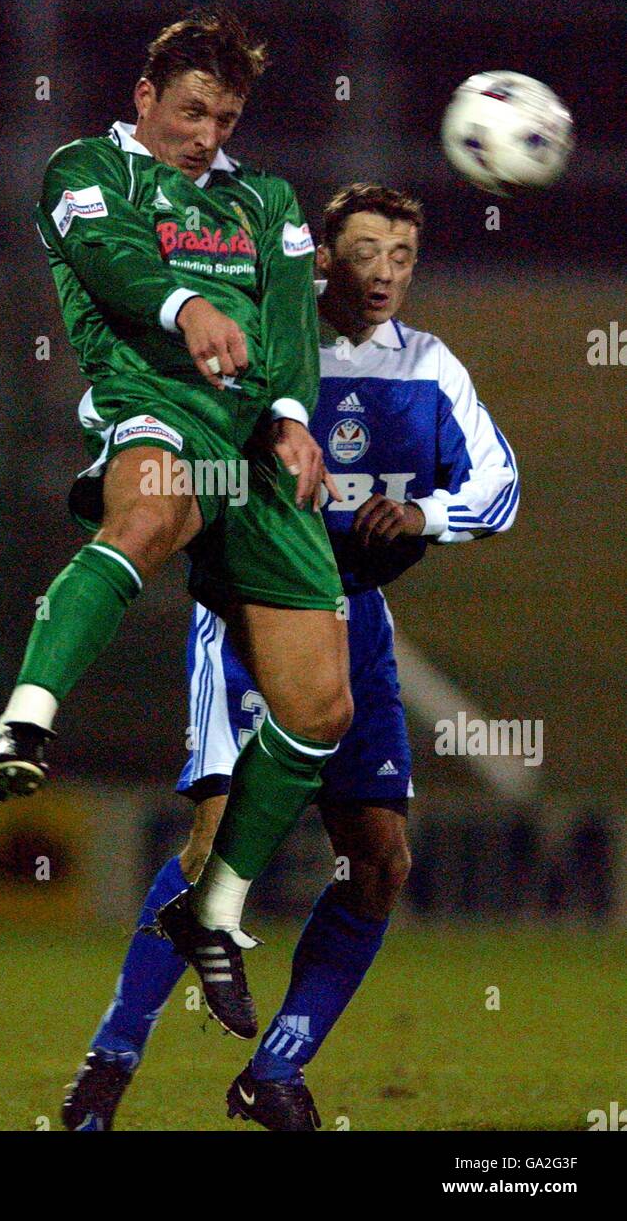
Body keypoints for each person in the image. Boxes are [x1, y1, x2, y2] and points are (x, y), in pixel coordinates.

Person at [62, 182, 519, 1130]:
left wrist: (428, 514)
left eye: (401, 255)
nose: (384, 274)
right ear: (321, 258)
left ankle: (274, 1071)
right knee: (215, 842)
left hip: (359, 630)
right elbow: (188, 454)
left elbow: (502, 487)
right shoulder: (265, 353)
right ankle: (110, 1061)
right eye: (363, 253)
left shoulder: (431, 369)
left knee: (380, 860)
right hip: (249, 616)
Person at [0, 9, 355, 1038]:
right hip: (156, 411)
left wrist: (285, 419)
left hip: (251, 457)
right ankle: (27, 717)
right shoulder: (84, 170)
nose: (204, 134)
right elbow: (112, 267)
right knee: (147, 512)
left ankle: (213, 907)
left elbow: (284, 331)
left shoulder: (266, 202)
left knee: (319, 710)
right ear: (145, 99)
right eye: (189, 110)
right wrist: (187, 302)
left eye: (222, 118)